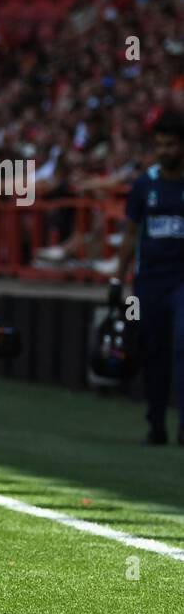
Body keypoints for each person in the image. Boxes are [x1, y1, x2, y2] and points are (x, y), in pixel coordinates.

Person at [111, 110, 184, 445]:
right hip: (148, 283)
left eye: (171, 144)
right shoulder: (145, 184)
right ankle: (156, 425)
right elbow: (130, 235)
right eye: (161, 144)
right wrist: (117, 279)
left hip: (181, 283)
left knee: (182, 346)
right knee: (153, 351)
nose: (164, 150)